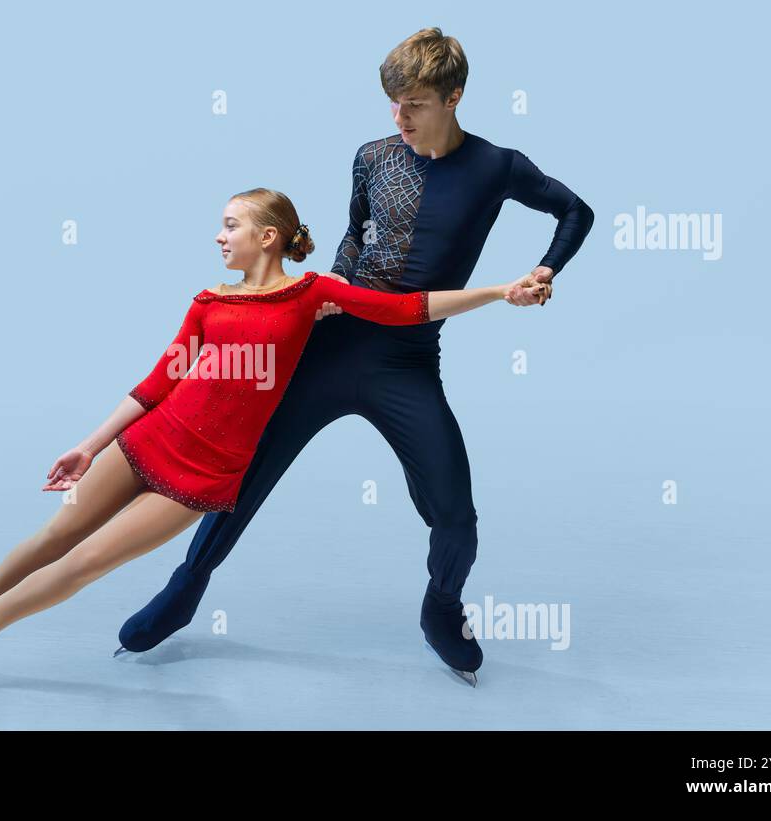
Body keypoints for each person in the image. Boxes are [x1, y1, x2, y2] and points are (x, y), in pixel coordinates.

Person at [0, 187, 546, 688]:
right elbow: (158, 380)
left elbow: (408, 308)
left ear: (270, 236)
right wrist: (88, 443)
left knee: (83, 564)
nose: (220, 237)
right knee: (49, 538)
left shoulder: (313, 295)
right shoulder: (208, 300)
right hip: (147, 441)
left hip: (201, 476)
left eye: (231, 225)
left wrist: (498, 292)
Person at [116, 27, 594, 687]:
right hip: (329, 348)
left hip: (406, 362)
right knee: (246, 475)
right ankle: (185, 589)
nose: (399, 116)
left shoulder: (497, 167)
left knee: (455, 513)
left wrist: (545, 270)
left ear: (454, 97)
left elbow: (576, 210)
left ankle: (441, 608)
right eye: (392, 101)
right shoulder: (372, 157)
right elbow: (353, 237)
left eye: (415, 104)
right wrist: (328, 293)